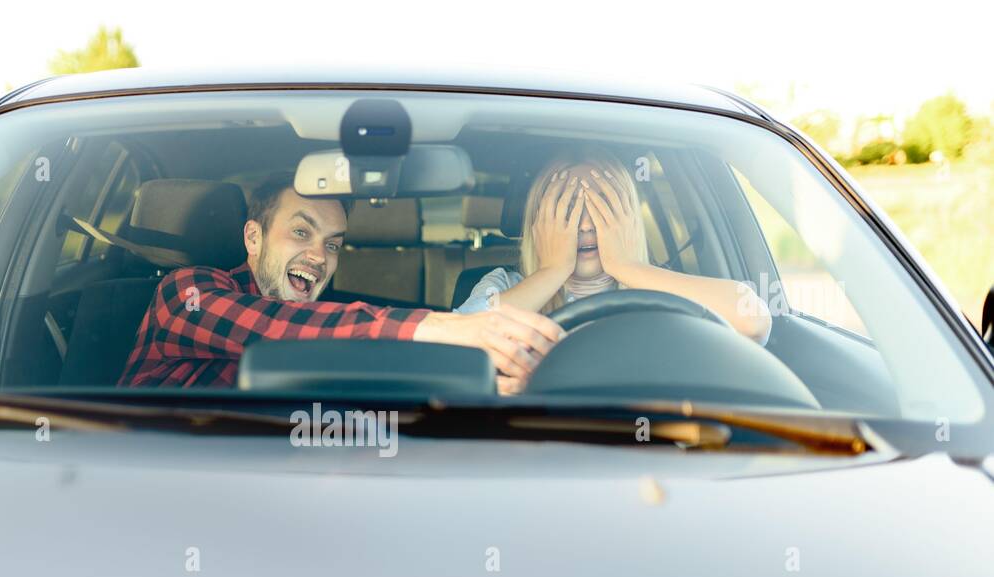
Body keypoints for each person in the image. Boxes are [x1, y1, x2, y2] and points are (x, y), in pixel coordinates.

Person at [119, 171, 562, 392]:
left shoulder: (327, 328)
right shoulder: (185, 294)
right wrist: (453, 329)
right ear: (253, 238)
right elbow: (274, 330)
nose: (318, 255)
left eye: (333, 244)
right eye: (300, 232)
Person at [456, 149, 772, 344]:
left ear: (628, 219)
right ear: (540, 224)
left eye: (601, 207)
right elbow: (455, 343)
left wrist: (627, 268)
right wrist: (553, 270)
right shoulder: (504, 285)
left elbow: (753, 321)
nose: (585, 225)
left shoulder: (663, 290)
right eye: (568, 210)